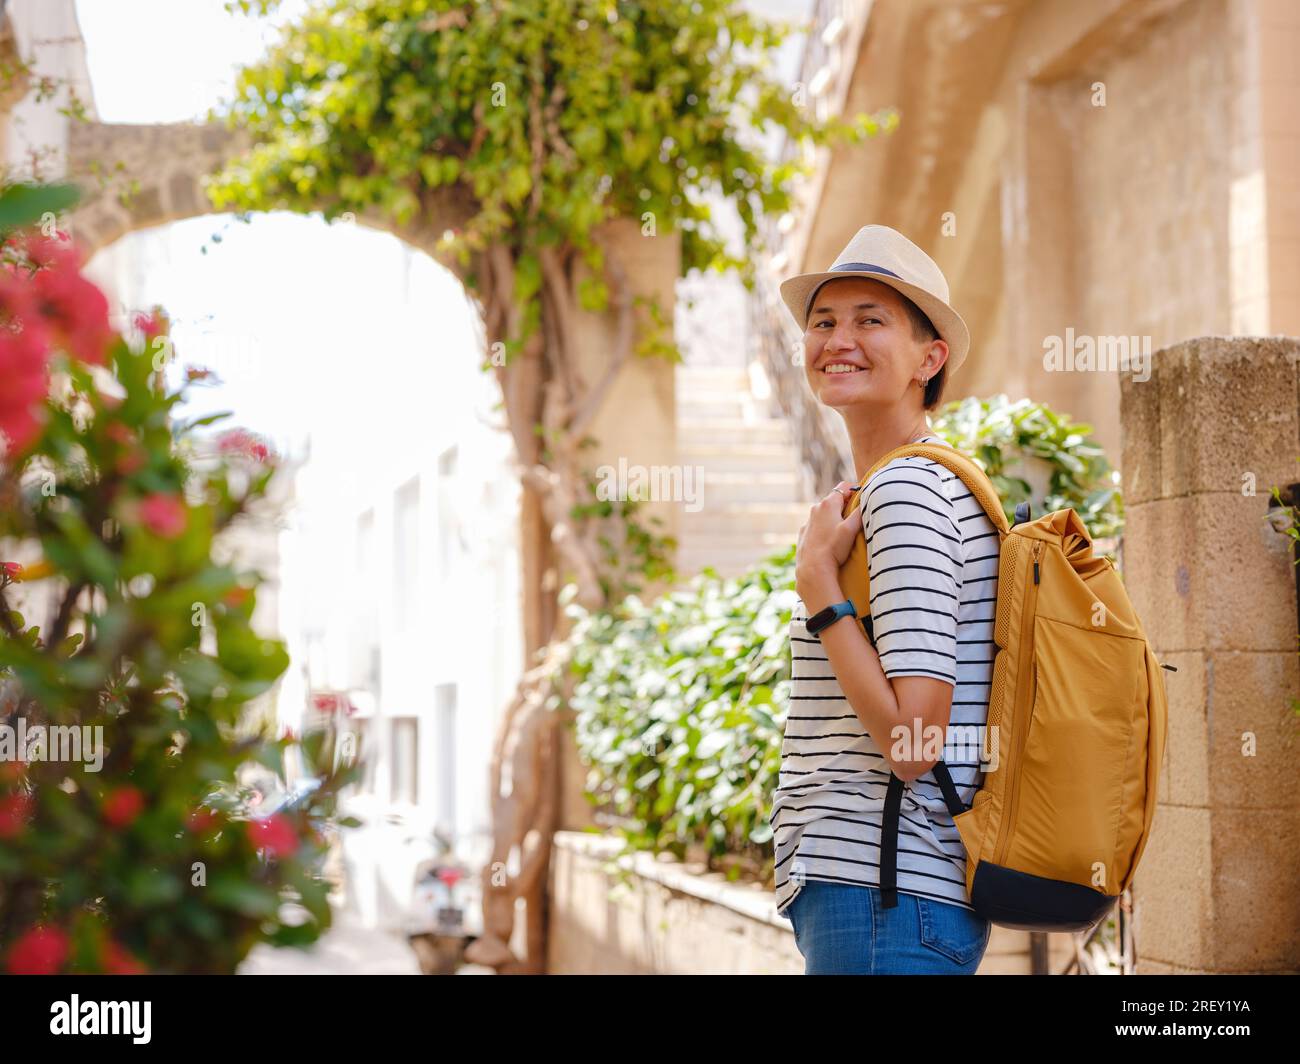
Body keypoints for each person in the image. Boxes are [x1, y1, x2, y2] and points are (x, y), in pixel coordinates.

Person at [769, 225, 998, 975]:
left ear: (929, 359)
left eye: (871, 319)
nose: (839, 339)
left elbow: (912, 743)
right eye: (824, 321)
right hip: (890, 900)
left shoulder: (906, 490)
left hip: (883, 897)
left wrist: (821, 594)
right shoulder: (904, 485)